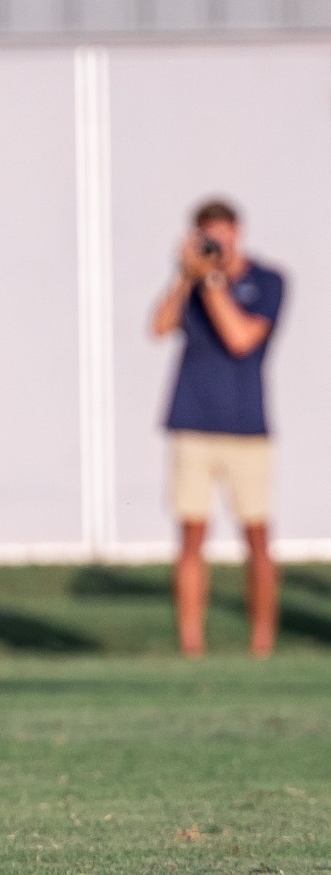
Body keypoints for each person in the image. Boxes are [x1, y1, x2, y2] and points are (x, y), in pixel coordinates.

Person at [149, 198, 284, 659]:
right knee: (190, 536)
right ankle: (192, 645)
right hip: (192, 421)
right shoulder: (192, 284)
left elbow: (241, 338)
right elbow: (160, 326)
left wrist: (211, 284)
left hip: (247, 427)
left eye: (223, 237)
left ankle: (261, 644)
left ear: (238, 234)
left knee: (257, 537)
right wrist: (185, 276)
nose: (216, 246)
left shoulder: (267, 282)